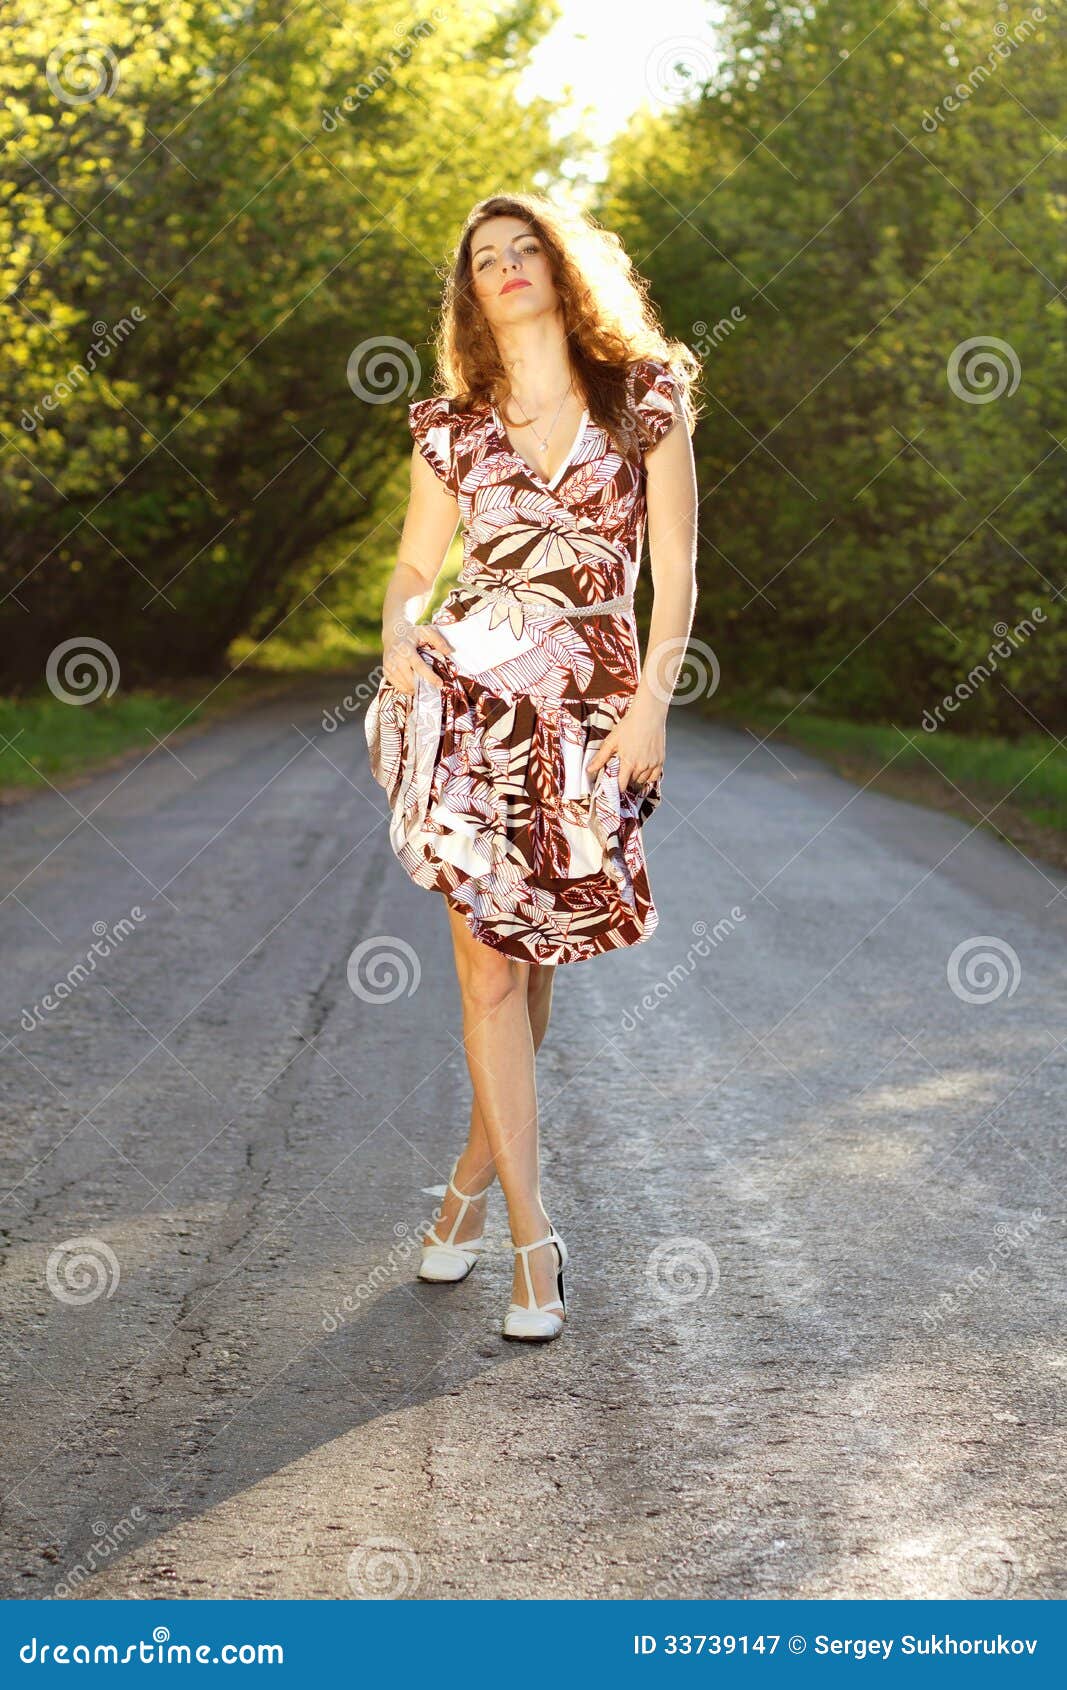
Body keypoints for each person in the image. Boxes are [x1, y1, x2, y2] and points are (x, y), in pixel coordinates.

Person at [365, 192, 698, 1343]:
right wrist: (399, 630)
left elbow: (677, 574)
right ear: (469, 290)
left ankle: (463, 1189)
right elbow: (415, 567)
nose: (504, 268)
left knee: (534, 955)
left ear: (561, 269)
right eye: (483, 259)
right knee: (489, 976)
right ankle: (531, 1242)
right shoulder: (449, 427)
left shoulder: (643, 397)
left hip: (591, 717)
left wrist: (653, 700)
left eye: (524, 250)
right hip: (469, 710)